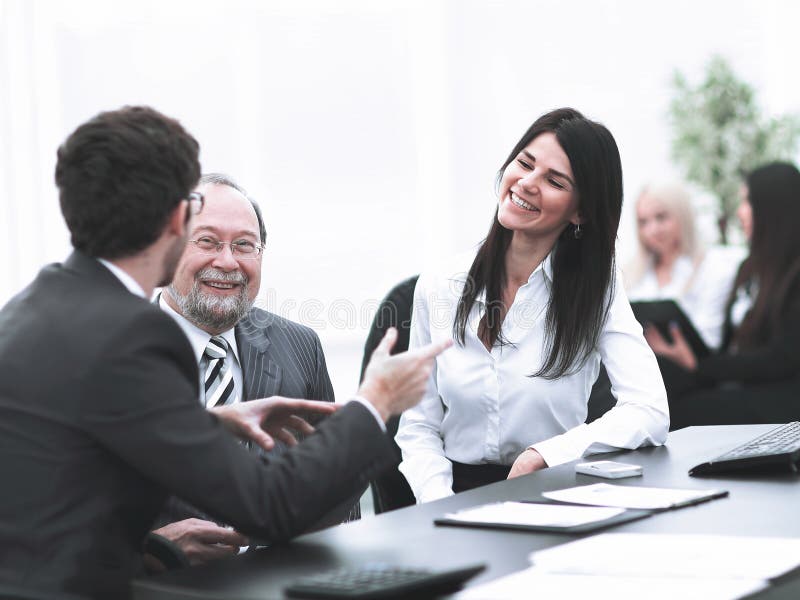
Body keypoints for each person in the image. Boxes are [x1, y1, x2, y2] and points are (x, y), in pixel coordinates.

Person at [0, 106, 450, 600]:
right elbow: (269, 504)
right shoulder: (132, 334)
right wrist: (377, 401)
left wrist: (210, 424)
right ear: (178, 217)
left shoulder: (30, 309)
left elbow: (61, 462)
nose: (227, 260)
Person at [396, 107, 669, 503]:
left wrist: (545, 454)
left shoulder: (597, 288)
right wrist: (439, 503)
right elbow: (418, 424)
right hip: (455, 496)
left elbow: (649, 410)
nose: (526, 183)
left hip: (554, 493)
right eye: (524, 163)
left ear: (581, 210)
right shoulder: (440, 284)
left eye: (554, 181)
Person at [151, 173, 357, 567]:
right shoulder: (108, 353)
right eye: (207, 241)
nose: (227, 261)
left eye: (245, 245)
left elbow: (332, 487)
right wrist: (149, 549)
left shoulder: (299, 344)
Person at [645, 162, 800, 429]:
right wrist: (689, 356)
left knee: (677, 409)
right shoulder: (749, 269)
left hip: (777, 398)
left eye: (747, 202)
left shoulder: (794, 274)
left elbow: (782, 359)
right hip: (736, 387)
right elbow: (732, 348)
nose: (740, 213)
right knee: (658, 375)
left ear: (773, 209)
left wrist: (700, 366)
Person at [625, 181, 742, 349]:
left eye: (661, 217)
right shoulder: (630, 274)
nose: (652, 230)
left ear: (682, 215)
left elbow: (710, 341)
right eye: (643, 222)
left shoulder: (713, 267)